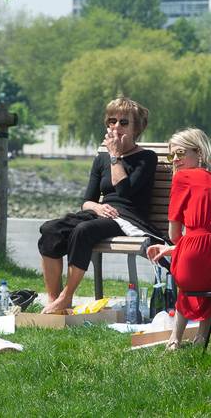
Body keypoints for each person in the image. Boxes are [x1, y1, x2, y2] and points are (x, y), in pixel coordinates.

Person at [38, 97, 159, 314]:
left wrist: (115, 156)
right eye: (112, 121)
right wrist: (97, 208)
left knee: (83, 230)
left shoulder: (146, 158)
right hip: (101, 213)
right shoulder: (100, 160)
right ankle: (53, 300)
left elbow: (124, 190)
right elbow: (86, 200)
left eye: (124, 122)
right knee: (50, 229)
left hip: (128, 218)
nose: (116, 126)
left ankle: (67, 296)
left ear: (136, 128)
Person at [145, 128, 211, 350]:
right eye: (171, 155)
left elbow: (174, 235)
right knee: (207, 281)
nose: (175, 160)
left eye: (180, 153)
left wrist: (174, 248)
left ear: (199, 153)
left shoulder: (183, 178)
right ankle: (201, 337)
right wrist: (177, 248)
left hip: (192, 266)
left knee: (188, 278)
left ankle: (175, 339)